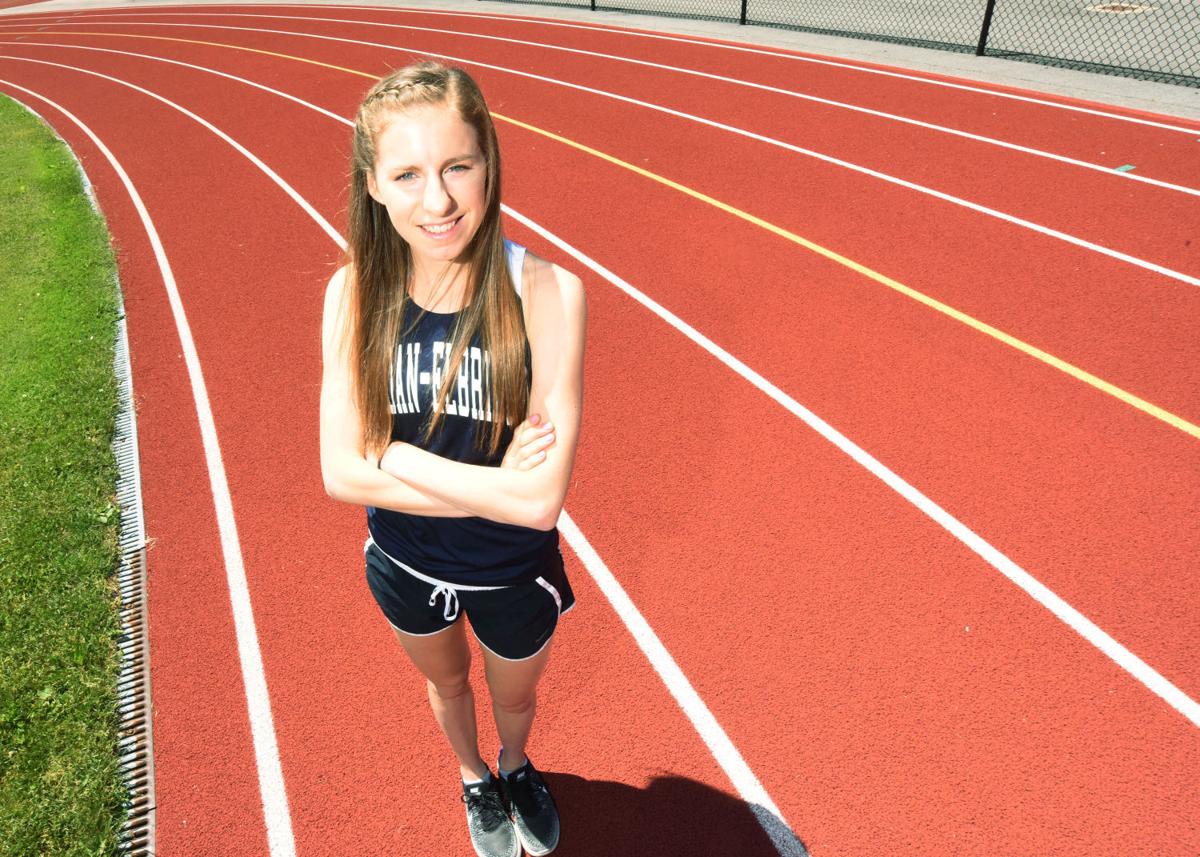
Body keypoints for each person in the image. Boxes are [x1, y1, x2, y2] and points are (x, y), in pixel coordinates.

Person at [319, 61, 586, 857]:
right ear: (373, 185)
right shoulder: (353, 294)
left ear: (488, 163)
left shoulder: (548, 294)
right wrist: (492, 483)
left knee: (517, 695)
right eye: (407, 174)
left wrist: (392, 452)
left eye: (456, 166)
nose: (436, 201)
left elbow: (538, 503)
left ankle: (513, 763)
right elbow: (338, 472)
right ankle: (474, 775)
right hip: (404, 560)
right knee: (444, 683)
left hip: (513, 568)